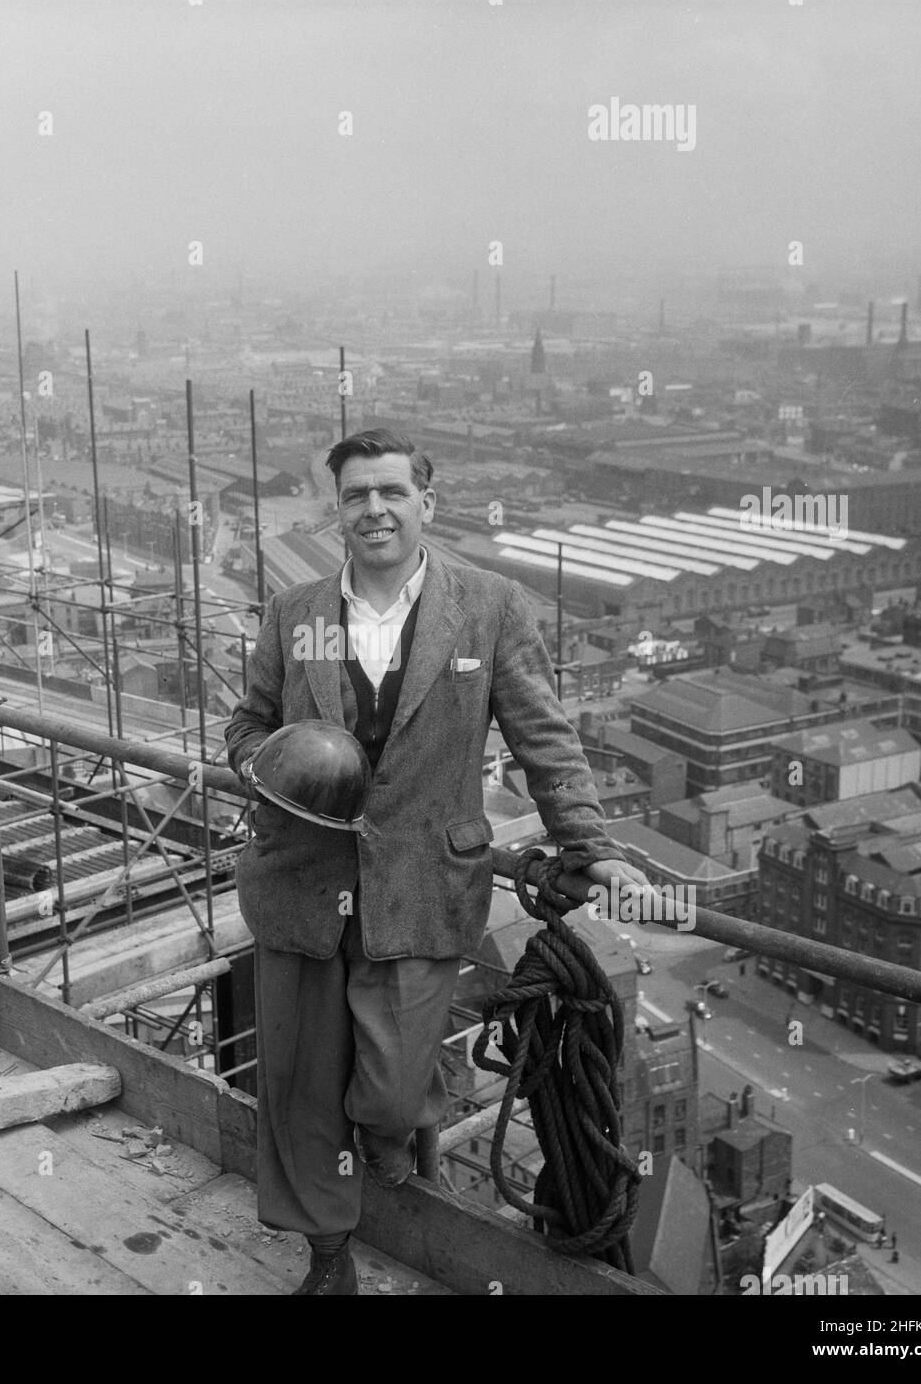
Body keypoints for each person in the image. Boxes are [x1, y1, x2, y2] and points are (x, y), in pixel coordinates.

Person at [224, 428, 652, 1295]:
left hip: (423, 882)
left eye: (391, 492)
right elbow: (247, 727)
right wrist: (273, 764)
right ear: (335, 509)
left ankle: (389, 1125)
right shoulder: (294, 612)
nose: (373, 510)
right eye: (355, 495)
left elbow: (544, 737)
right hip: (304, 882)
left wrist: (590, 846)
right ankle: (328, 1254)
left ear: (428, 500)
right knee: (303, 1084)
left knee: (387, 1084)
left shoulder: (489, 607)